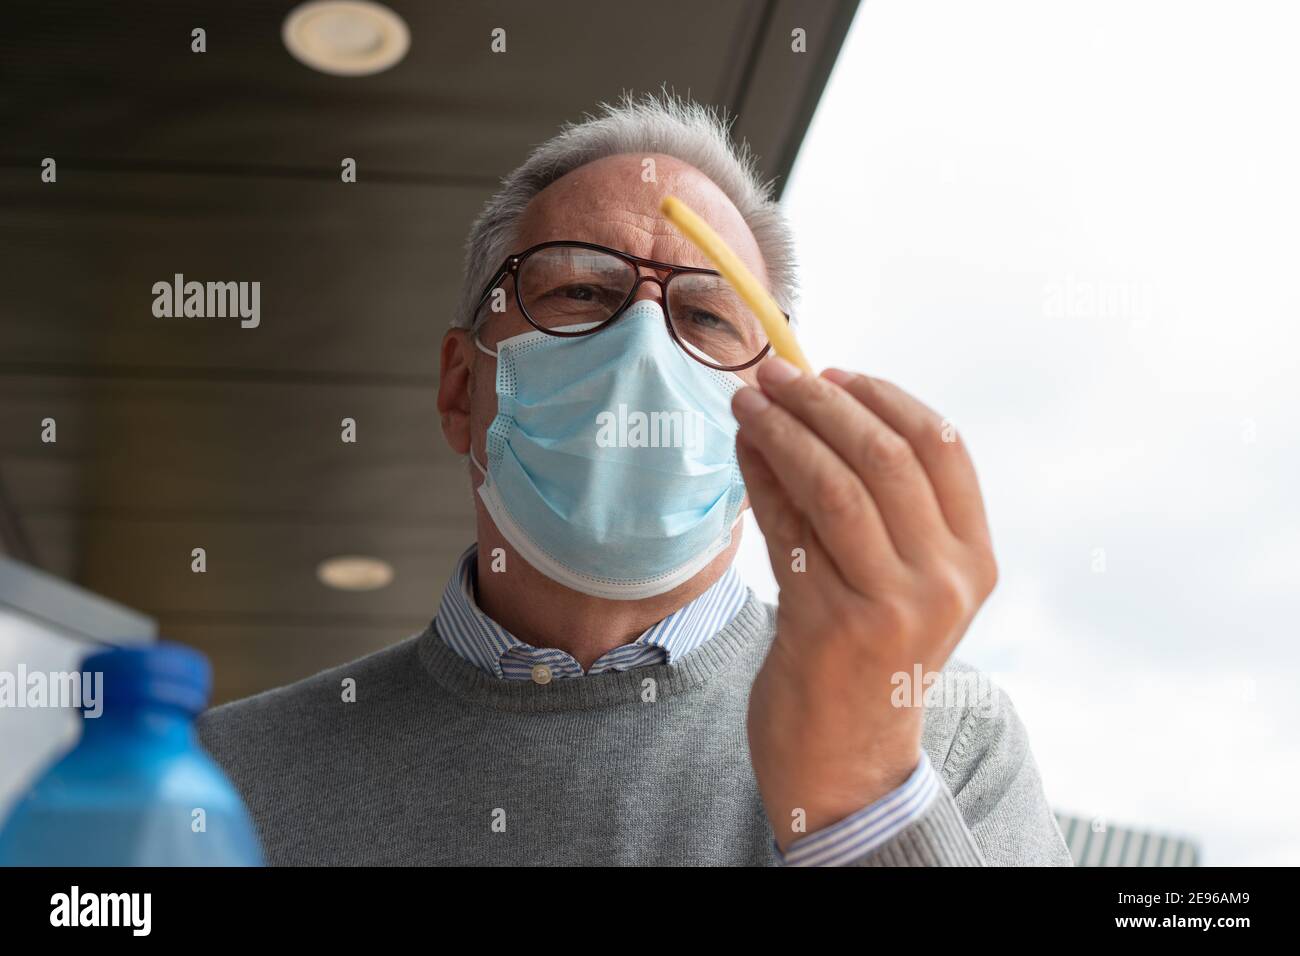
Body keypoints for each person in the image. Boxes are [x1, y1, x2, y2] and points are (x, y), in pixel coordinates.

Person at [198, 94, 1072, 866]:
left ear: (771, 407)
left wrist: (863, 800)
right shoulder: (222, 783)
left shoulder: (944, 741)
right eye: (582, 291)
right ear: (462, 388)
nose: (645, 346)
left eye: (706, 314)